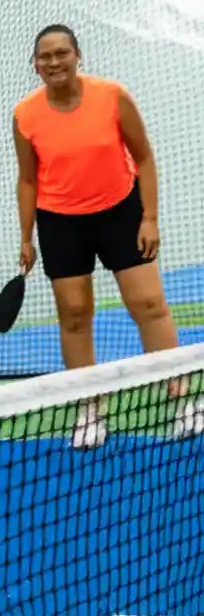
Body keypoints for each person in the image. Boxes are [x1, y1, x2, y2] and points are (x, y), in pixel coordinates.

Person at [13, 24, 202, 448]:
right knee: (75, 315)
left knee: (150, 304)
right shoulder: (25, 114)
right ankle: (89, 411)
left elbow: (145, 155)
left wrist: (149, 218)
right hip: (60, 222)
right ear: (36, 65)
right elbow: (27, 180)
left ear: (78, 56)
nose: (55, 61)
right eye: (45, 56)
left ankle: (184, 402)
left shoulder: (112, 96)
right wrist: (26, 237)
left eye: (62, 53)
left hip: (121, 211)